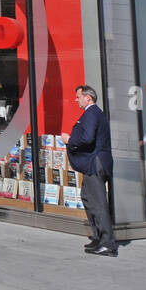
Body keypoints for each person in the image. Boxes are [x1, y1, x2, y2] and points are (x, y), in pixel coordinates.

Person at [61, 85, 117, 257]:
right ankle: (98, 237)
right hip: (93, 163)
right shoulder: (93, 113)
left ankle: (108, 244)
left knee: (97, 203)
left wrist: (70, 140)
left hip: (95, 163)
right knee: (87, 197)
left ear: (88, 98)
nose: (76, 100)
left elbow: (87, 138)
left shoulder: (92, 113)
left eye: (78, 97)